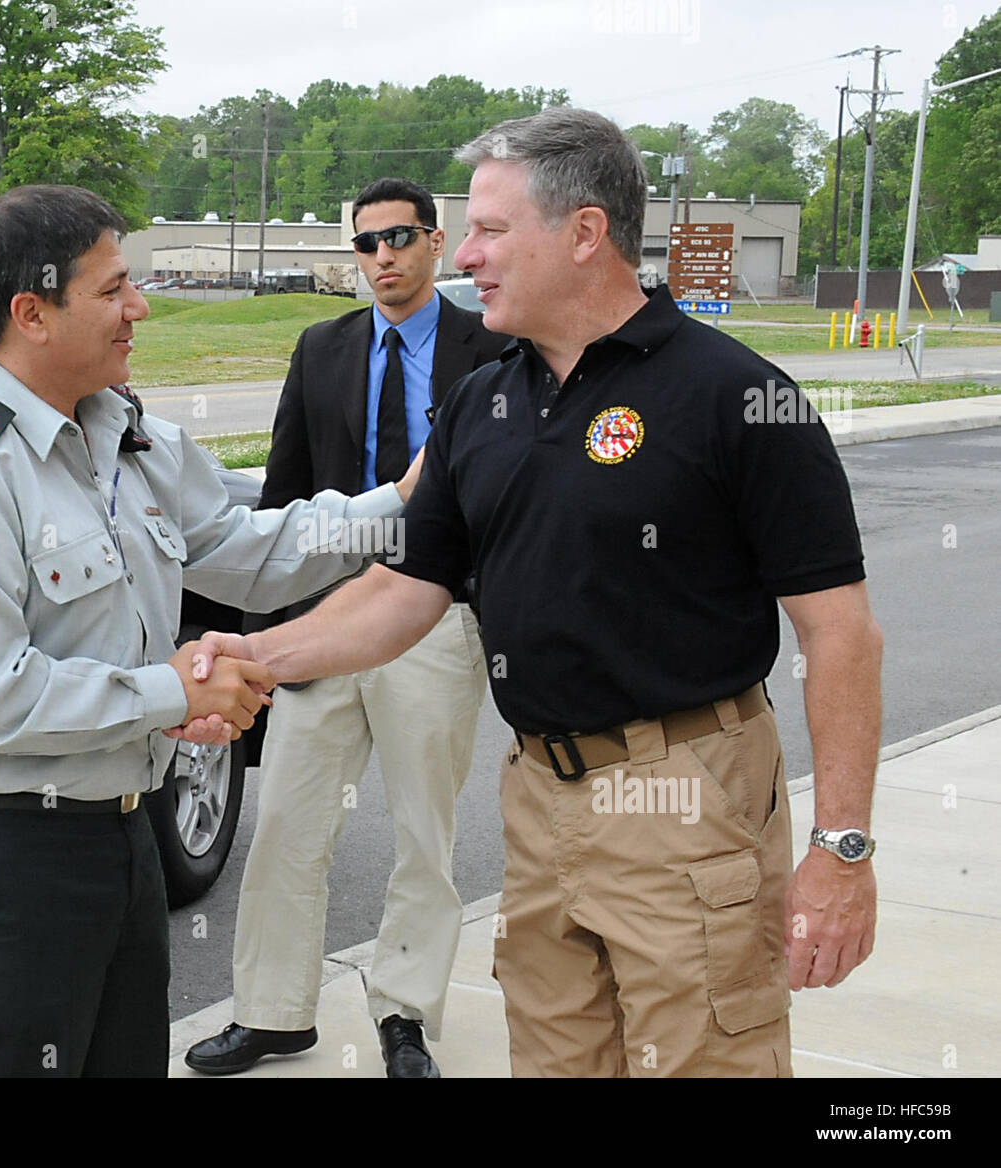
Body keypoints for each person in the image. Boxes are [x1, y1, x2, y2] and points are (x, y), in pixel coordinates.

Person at [184, 108, 883, 1078]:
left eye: (490, 230)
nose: (464, 254)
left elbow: (840, 634)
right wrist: (253, 656)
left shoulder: (732, 397)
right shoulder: (484, 402)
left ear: (585, 233)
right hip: (538, 804)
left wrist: (841, 851)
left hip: (688, 799)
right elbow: (402, 590)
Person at [0, 184, 419, 1077]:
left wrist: (399, 501)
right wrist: (174, 693)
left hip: (122, 836)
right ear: (32, 313)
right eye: (115, 288)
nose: (140, 307)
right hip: (6, 858)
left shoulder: (125, 433)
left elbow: (242, 546)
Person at [184, 178, 507, 1079]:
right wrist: (267, 632)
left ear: (436, 243)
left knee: (422, 833)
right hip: (325, 617)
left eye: (400, 238)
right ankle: (274, 1014)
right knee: (288, 818)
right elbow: (283, 495)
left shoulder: (494, 350)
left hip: (436, 615)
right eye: (366, 244)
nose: (383, 258)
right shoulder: (320, 349)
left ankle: (405, 1017)